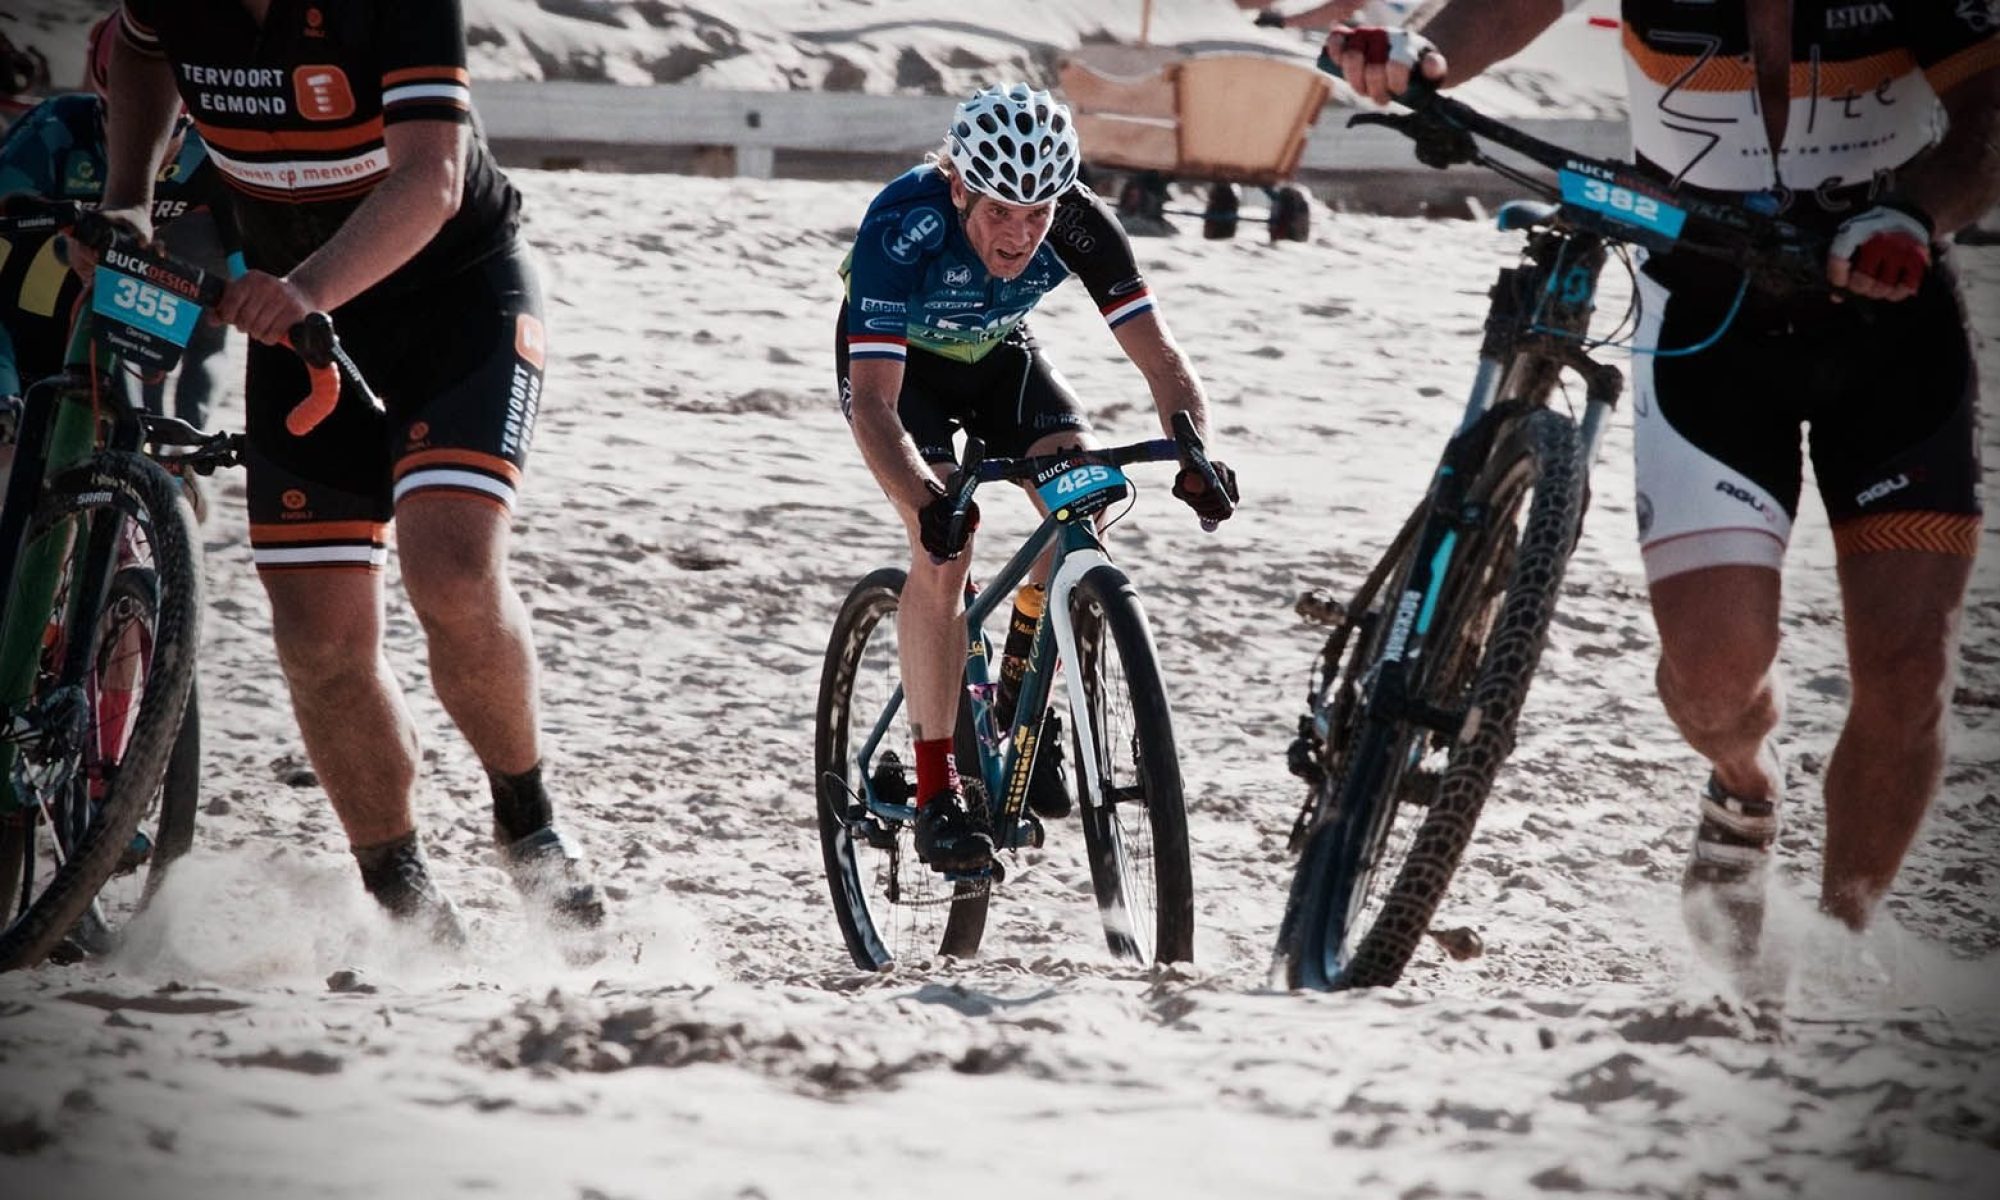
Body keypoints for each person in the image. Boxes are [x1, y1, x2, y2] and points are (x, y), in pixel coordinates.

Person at [1323, 2, 1998, 962]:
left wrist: (1917, 212)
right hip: (1705, 314)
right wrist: (1425, 56)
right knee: (1714, 682)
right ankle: (1744, 786)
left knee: (1908, 672)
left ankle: (1839, 944)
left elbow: (1986, 110)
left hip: (1889, 306)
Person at [89, 0, 605, 943]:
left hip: (453, 302)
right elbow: (138, 46)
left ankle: (530, 824)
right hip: (297, 318)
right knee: (318, 639)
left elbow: (433, 178)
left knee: (449, 573)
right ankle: (402, 896)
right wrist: (128, 188)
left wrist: (304, 292)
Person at [838, 82, 1239, 873]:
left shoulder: (1082, 222)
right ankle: (937, 789)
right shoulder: (903, 222)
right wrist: (927, 503)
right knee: (946, 547)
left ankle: (1031, 709)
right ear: (959, 186)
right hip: (900, 379)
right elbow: (877, 408)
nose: (1020, 235)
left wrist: (1195, 450)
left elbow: (1160, 355)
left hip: (997, 359)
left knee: (1080, 501)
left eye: (1038, 214)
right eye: (998, 212)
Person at [0, 17, 231, 471]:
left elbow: (246, 243)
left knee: (122, 421)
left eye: (173, 132)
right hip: (18, 306)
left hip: (101, 308)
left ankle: (168, 471)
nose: (122, 134)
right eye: (108, 116)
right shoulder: (57, 125)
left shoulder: (207, 151)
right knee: (12, 439)